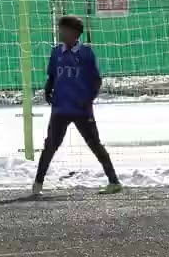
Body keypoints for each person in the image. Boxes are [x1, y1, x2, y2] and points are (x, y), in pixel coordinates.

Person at [32, 15, 121, 196]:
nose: (59, 32)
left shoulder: (86, 54)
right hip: (60, 108)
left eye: (63, 29)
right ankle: (37, 183)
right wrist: (48, 89)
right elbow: (52, 76)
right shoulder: (57, 52)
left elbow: (96, 81)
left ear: (74, 32)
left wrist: (88, 99)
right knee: (50, 145)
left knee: (94, 144)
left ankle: (114, 181)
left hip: (81, 109)